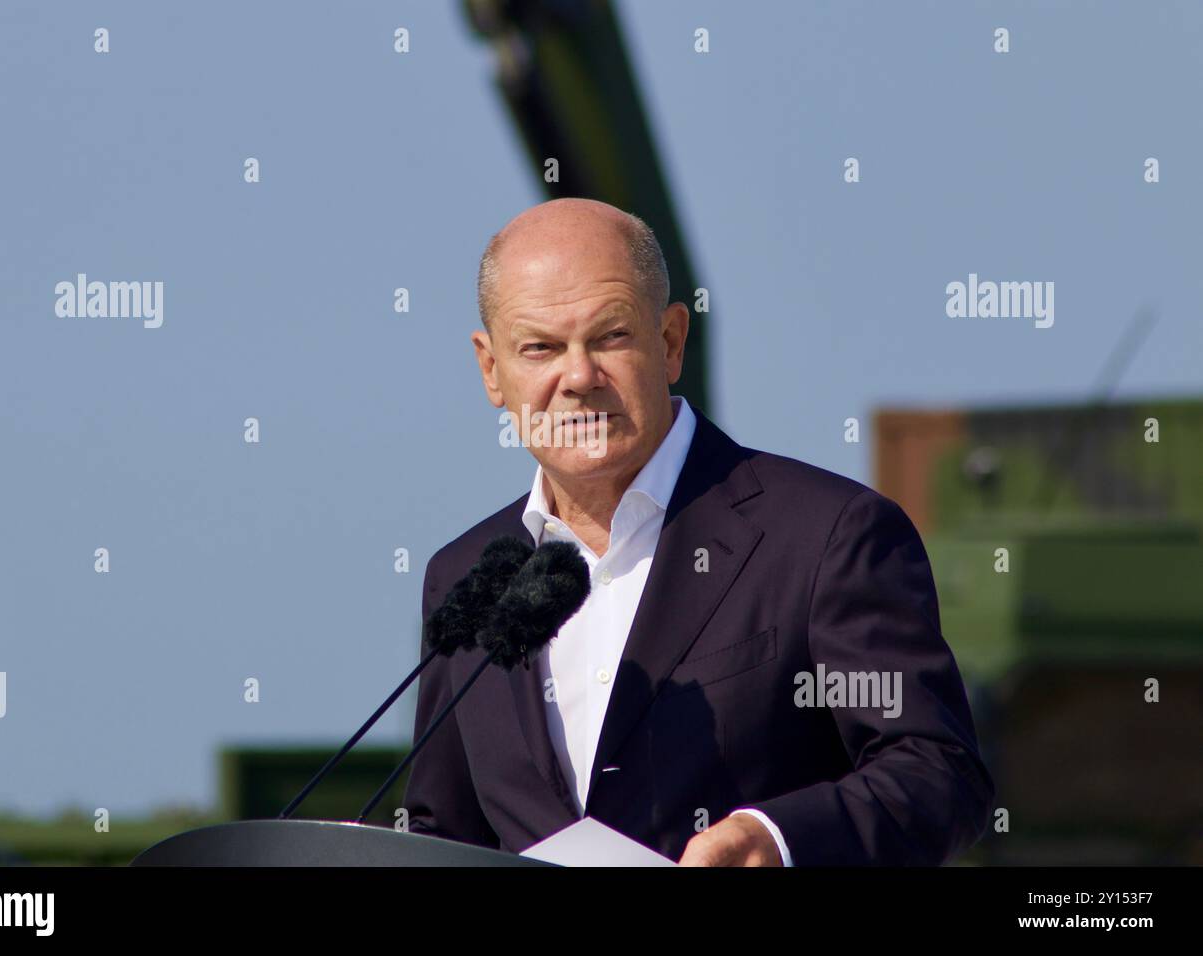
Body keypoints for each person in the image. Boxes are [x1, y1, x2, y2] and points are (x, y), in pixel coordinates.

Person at [402, 198, 993, 865]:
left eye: (610, 337)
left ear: (672, 341)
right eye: (540, 348)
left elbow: (939, 773)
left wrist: (775, 841)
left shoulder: (827, 536)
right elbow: (445, 835)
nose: (577, 378)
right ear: (491, 371)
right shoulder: (466, 578)